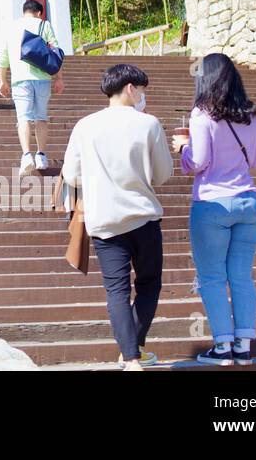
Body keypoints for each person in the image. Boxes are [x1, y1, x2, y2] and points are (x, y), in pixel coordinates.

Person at [62, 63, 172, 370]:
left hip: (104, 222)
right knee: (149, 283)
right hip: (143, 218)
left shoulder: (85, 125)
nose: (142, 97)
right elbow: (163, 174)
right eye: (142, 91)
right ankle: (132, 348)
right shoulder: (148, 124)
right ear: (130, 89)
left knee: (117, 292)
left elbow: (71, 173)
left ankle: (131, 359)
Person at [174, 52, 256, 366]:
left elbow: (198, 162)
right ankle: (243, 345)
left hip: (212, 202)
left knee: (212, 277)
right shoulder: (253, 115)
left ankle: (223, 346)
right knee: (241, 276)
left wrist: (182, 149)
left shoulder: (201, 114)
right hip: (248, 202)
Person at [0, 0, 64, 175]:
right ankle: (41, 155)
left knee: (24, 118)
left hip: (19, 80)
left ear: (23, 12)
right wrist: (58, 78)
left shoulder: (11, 28)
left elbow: (3, 57)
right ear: (39, 13)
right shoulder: (44, 25)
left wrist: (3, 80)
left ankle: (27, 155)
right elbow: (56, 52)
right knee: (41, 117)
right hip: (42, 79)